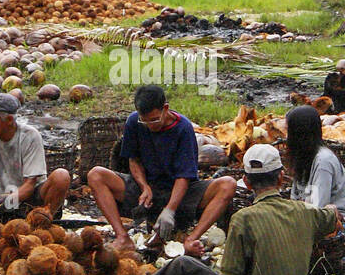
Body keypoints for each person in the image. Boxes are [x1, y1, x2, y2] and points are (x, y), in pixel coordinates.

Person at [142, 145, 340, 275]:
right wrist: (329, 210)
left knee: (184, 264)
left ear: (246, 182)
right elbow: (335, 217)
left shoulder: (243, 218)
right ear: (281, 177)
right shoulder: (307, 212)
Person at [87, 84, 235, 255]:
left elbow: (184, 176)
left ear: (165, 108)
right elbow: (133, 159)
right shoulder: (134, 122)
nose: (150, 125)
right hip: (148, 190)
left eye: (155, 119)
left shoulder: (183, 128)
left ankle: (191, 240)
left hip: (181, 192)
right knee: (96, 175)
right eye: (145, 121)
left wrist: (170, 210)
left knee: (228, 185)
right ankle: (122, 237)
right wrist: (144, 186)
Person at [285, 105, 345, 248]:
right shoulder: (304, 159)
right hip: (310, 220)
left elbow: (317, 210)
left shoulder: (323, 161)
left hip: (340, 229)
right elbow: (295, 200)